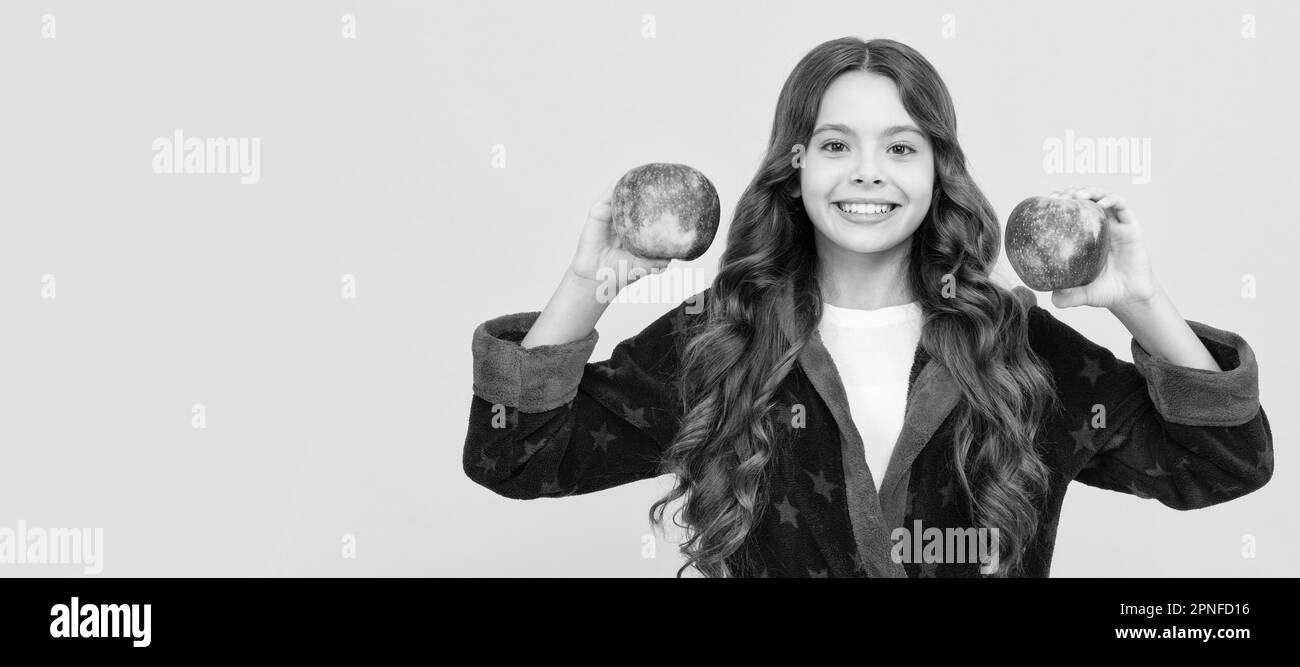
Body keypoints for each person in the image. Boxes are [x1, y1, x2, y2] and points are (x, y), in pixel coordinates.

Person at [463, 37, 1274, 577]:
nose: (866, 172)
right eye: (836, 143)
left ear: (936, 171)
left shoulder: (1014, 342)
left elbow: (1223, 462)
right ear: (797, 164)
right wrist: (588, 283)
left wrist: (1142, 303)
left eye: (899, 146)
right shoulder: (720, 336)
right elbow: (514, 457)